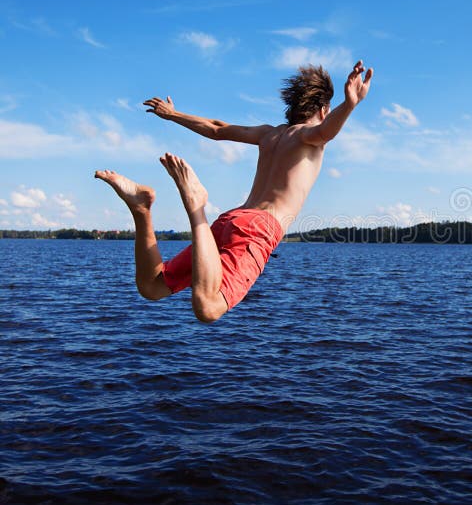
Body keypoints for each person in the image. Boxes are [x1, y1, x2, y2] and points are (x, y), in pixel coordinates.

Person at [95, 60, 373, 323]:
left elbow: (218, 129)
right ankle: (196, 206)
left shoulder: (269, 134)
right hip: (260, 228)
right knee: (208, 307)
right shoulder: (307, 137)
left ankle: (141, 209)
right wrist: (349, 105)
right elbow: (327, 131)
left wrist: (174, 115)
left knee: (153, 285)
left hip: (231, 219)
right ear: (323, 109)